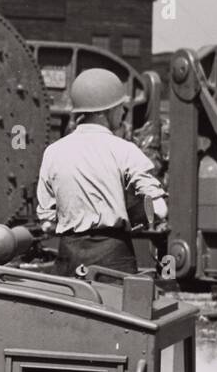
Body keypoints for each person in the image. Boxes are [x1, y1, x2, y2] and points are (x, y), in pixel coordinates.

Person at [36, 68, 169, 277]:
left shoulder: (53, 152)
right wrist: (137, 216)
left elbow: (46, 223)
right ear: (104, 112)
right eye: (120, 107)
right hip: (114, 261)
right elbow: (159, 209)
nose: (123, 112)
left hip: (69, 260)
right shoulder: (125, 150)